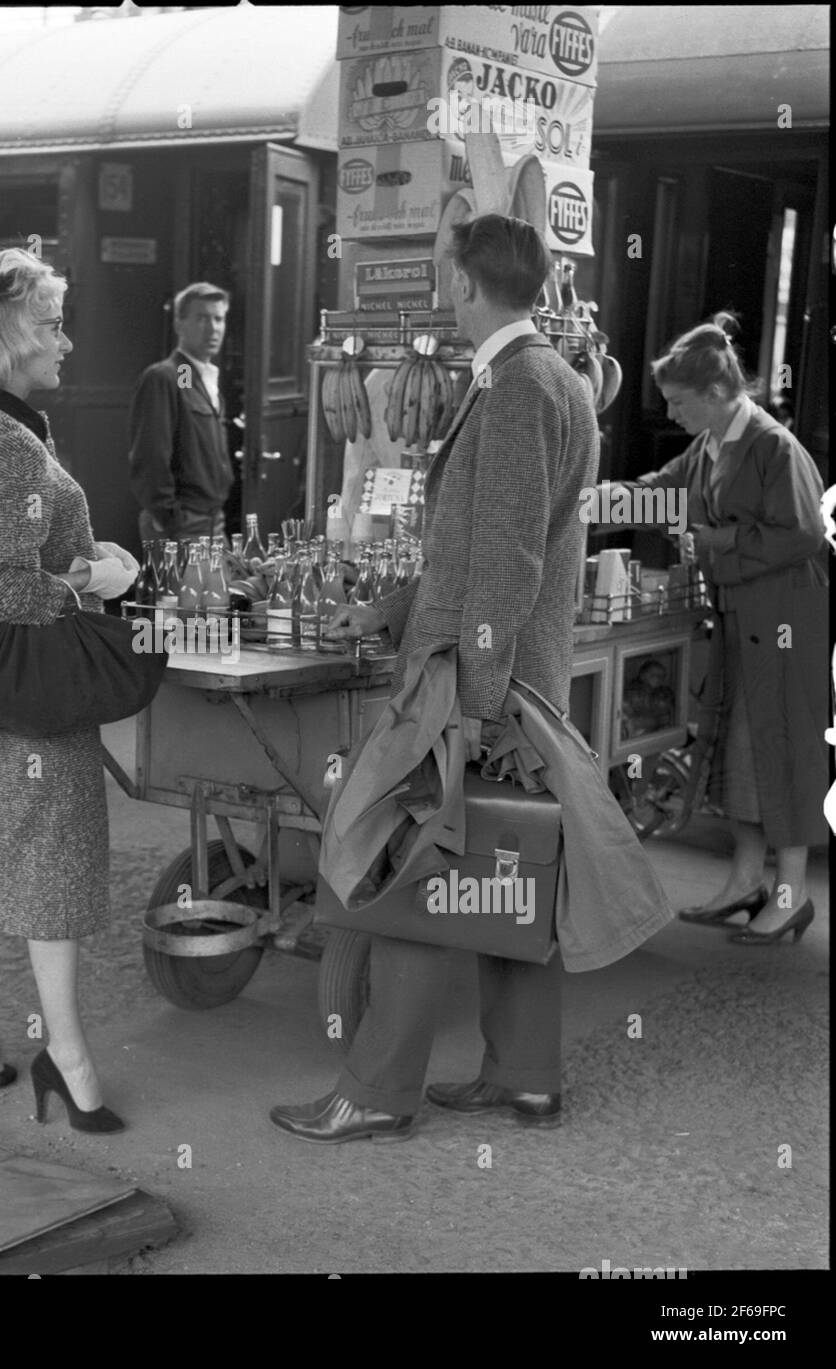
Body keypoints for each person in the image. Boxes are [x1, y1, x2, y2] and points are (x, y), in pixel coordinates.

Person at [270, 215, 603, 1143]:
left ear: (464, 282)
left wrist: (477, 703)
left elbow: (504, 566)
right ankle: (526, 1075)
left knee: (417, 872)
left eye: (446, 275)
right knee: (511, 865)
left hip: (476, 681)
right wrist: (387, 611)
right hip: (505, 670)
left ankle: (376, 1091)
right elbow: (482, 551)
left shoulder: (516, 388)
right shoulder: (556, 380)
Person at [0, 248, 140, 1132]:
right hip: (33, 686)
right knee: (53, 860)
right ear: (14, 338)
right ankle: (69, 1057)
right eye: (53, 324)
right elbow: (3, 581)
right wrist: (96, 578)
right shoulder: (11, 446)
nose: (66, 339)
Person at [611, 312, 827, 945]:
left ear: (714, 394)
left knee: (781, 755)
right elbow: (658, 493)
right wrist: (583, 504)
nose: (671, 414)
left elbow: (805, 533)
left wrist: (710, 540)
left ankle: (791, 895)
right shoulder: (710, 446)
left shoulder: (771, 445)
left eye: (679, 403)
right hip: (743, 615)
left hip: (786, 616)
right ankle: (744, 883)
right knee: (739, 753)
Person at [129, 282, 232, 543]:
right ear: (179, 324)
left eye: (219, 319)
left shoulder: (208, 379)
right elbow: (150, 456)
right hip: (182, 523)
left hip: (211, 521)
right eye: (201, 318)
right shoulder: (164, 377)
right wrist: (170, 518)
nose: (213, 328)